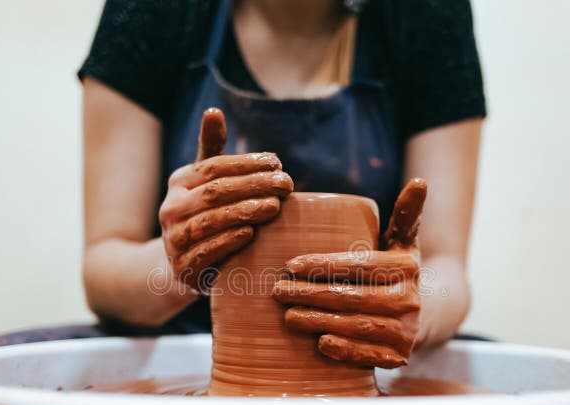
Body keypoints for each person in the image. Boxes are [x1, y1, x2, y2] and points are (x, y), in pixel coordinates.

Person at [79, 0, 485, 362]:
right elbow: (103, 267)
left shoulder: (427, 10)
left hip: (360, 354)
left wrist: (412, 309)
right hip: (190, 343)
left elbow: (445, 269)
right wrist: (177, 264)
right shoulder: (154, 8)